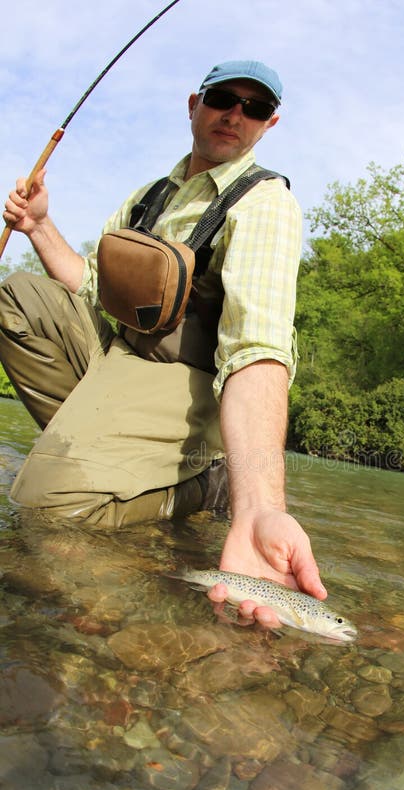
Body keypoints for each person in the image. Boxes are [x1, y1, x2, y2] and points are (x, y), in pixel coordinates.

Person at [0, 59, 326, 628]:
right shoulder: (151, 195)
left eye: (255, 108)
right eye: (224, 98)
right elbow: (94, 290)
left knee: (46, 501)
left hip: (189, 382)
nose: (236, 114)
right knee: (18, 299)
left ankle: (203, 481)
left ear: (269, 125)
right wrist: (38, 227)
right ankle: (111, 458)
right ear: (194, 104)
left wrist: (261, 508)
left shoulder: (264, 202)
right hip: (118, 357)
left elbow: (256, 351)